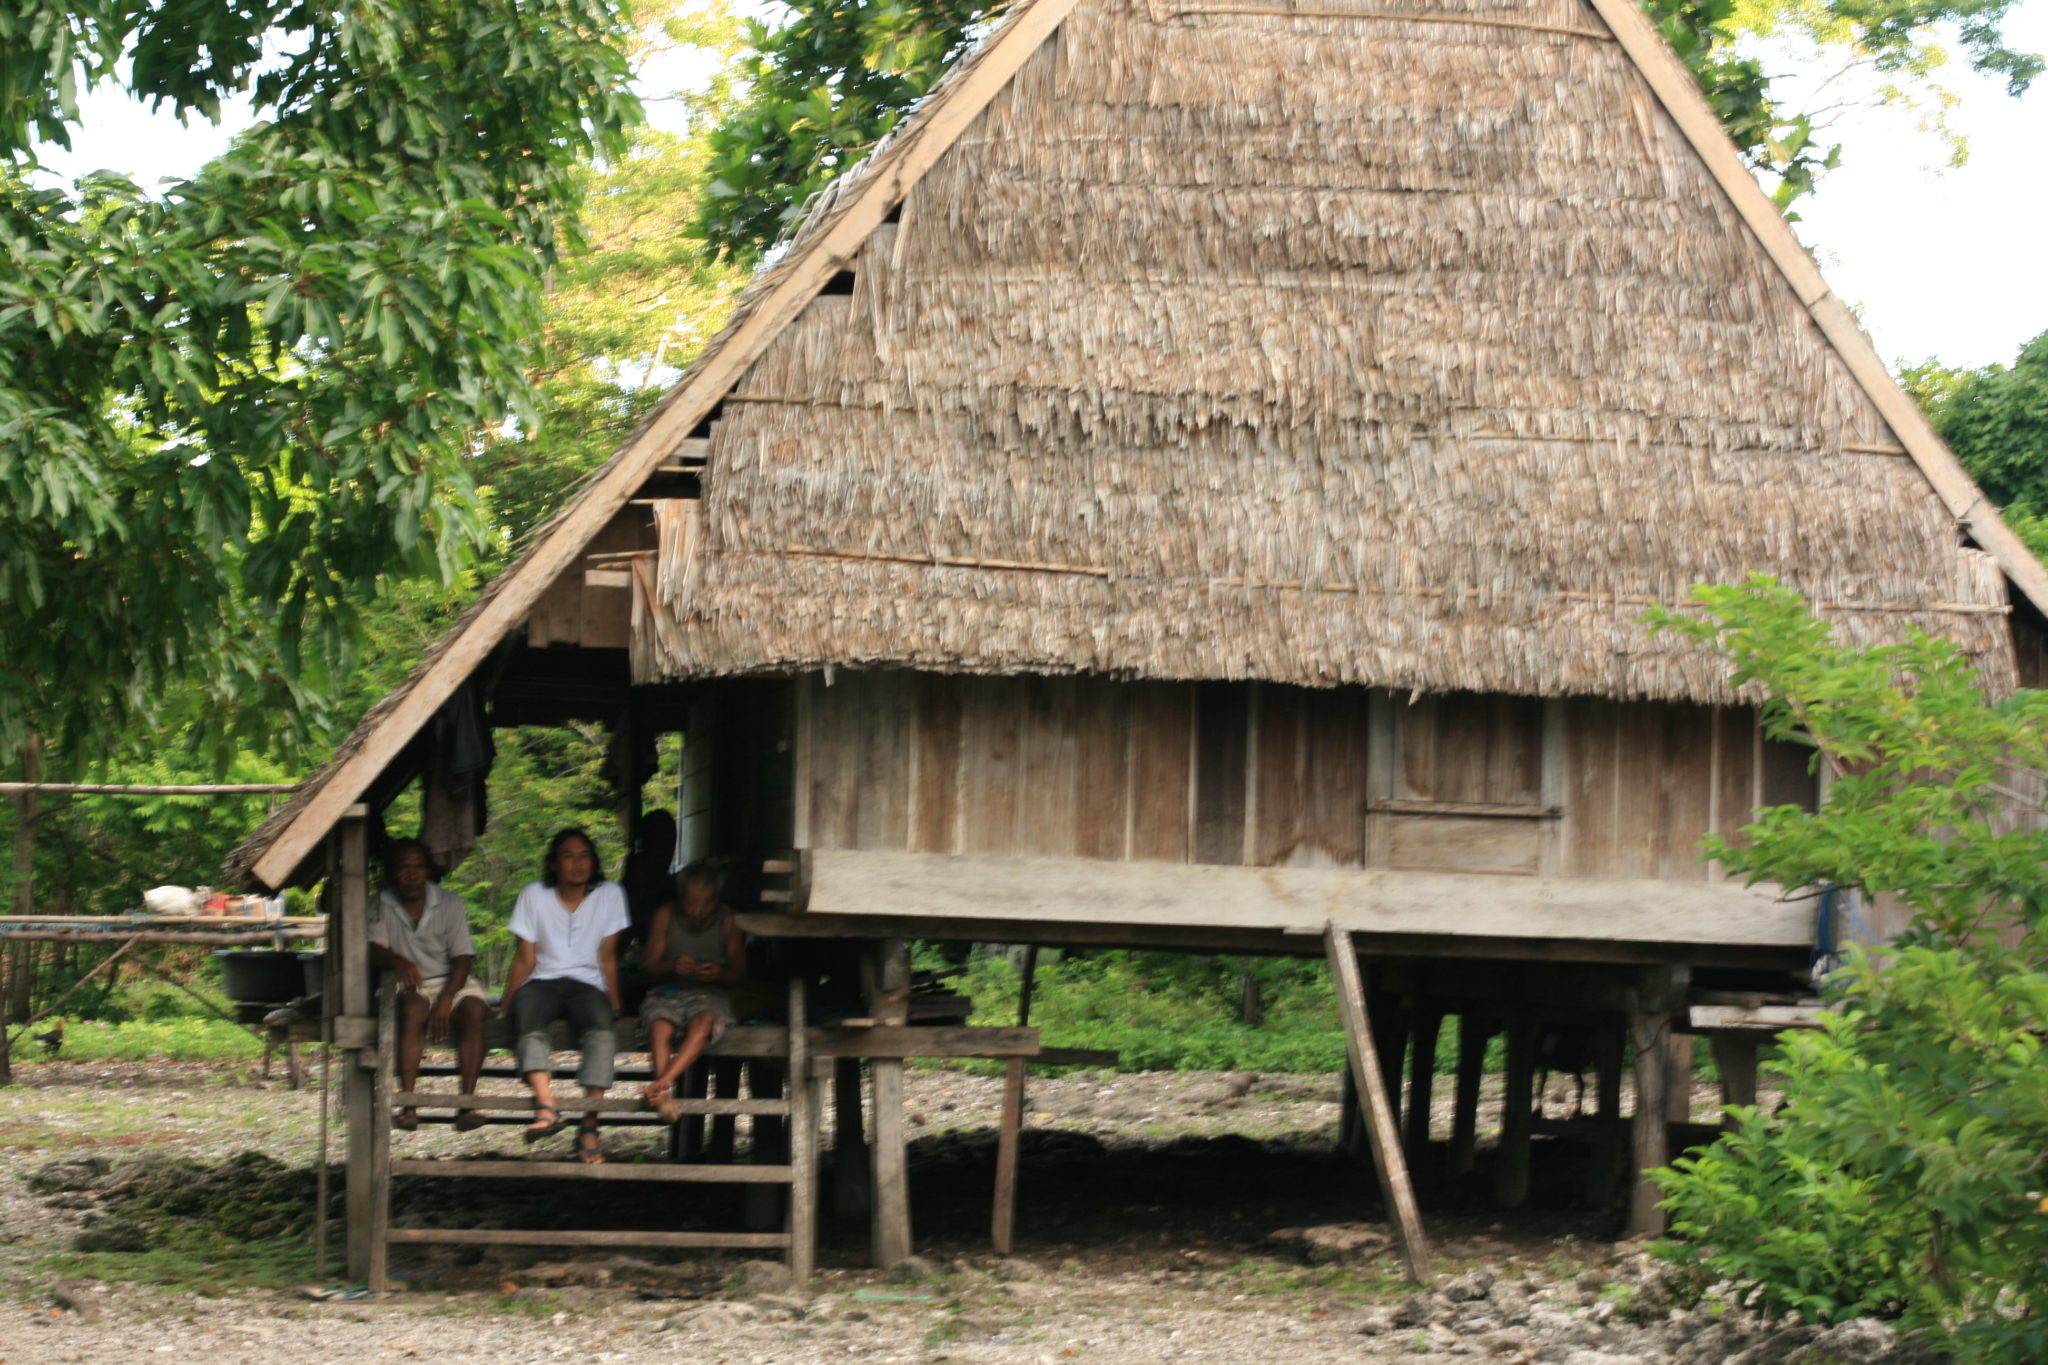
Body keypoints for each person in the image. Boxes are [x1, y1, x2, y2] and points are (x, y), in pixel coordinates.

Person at [501, 828, 629, 1163]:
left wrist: (616, 1005)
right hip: (543, 980)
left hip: (587, 984)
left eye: (585, 855)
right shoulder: (534, 894)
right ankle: (547, 1108)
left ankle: (589, 1126)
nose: (577, 863)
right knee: (526, 1015)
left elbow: (608, 956)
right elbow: (526, 959)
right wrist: (505, 1004)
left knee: (602, 1030)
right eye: (568, 855)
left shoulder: (610, 894)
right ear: (554, 863)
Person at [370, 839, 489, 1133]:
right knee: (412, 1009)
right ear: (391, 872)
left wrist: (447, 1000)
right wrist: (398, 960)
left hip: (451, 980)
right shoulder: (379, 903)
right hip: (407, 983)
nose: (411, 874)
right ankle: (409, 1106)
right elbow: (373, 949)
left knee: (474, 1010)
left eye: (418, 867)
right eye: (404, 867)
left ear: (428, 871)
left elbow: (463, 958)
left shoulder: (449, 902)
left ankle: (467, 1103)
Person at [638, 862, 748, 1124]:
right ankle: (664, 1093)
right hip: (667, 991)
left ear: (717, 900)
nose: (697, 911)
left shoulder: (728, 919)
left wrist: (719, 974)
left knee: (705, 1020)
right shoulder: (665, 915)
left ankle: (662, 1085)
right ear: (680, 898)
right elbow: (648, 970)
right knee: (659, 1024)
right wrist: (671, 966)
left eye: (706, 904)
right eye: (691, 904)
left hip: (710, 994)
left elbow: (741, 973)